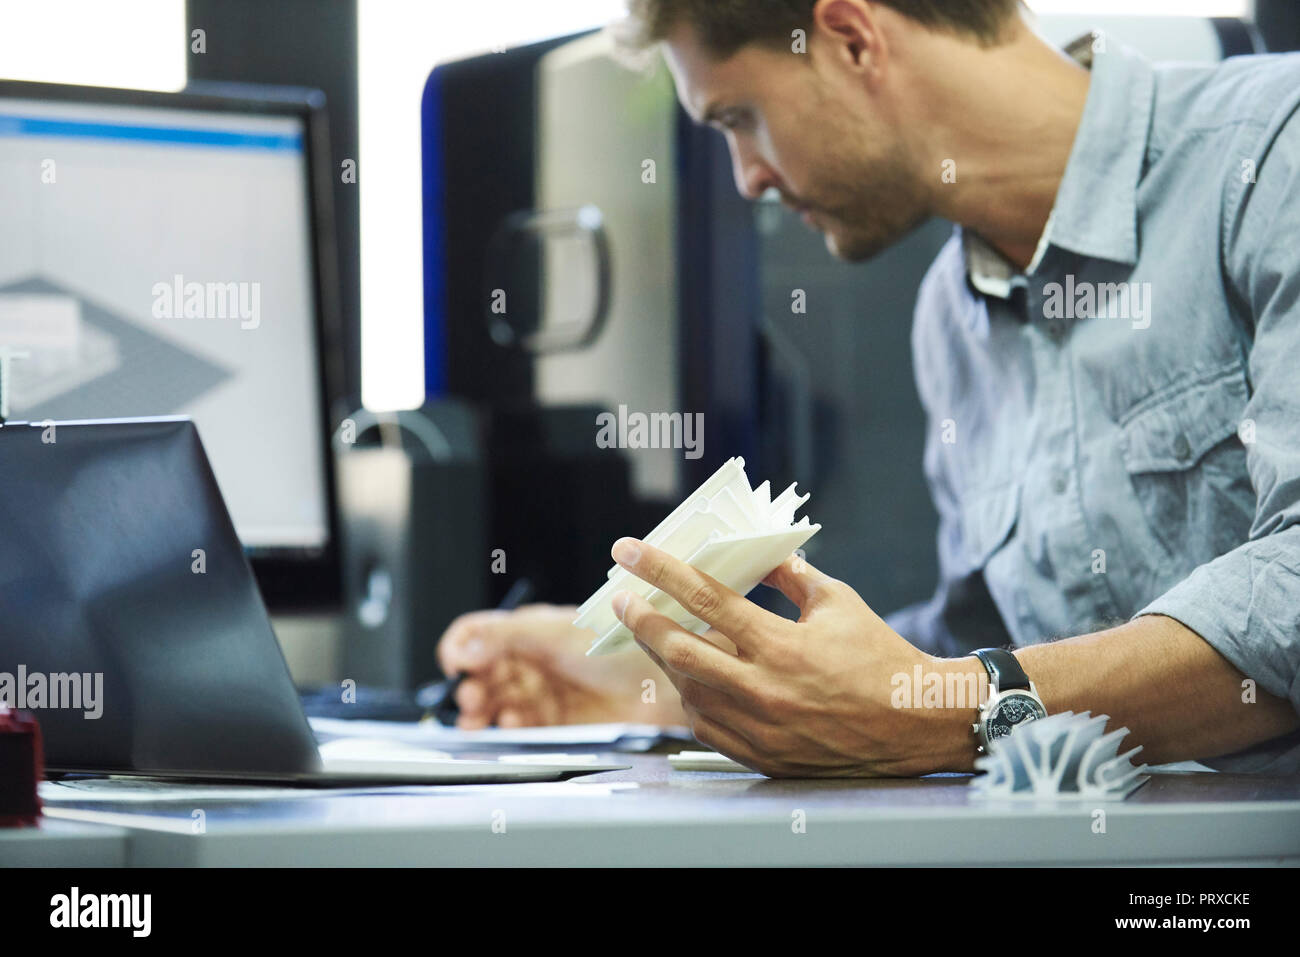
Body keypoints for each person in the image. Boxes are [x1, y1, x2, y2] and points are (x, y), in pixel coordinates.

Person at [439, 0, 1300, 776]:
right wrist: (667, 681)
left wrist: (946, 708)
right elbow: (974, 650)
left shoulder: (1272, 151)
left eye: (739, 118)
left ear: (851, 39)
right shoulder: (950, 318)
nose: (747, 179)